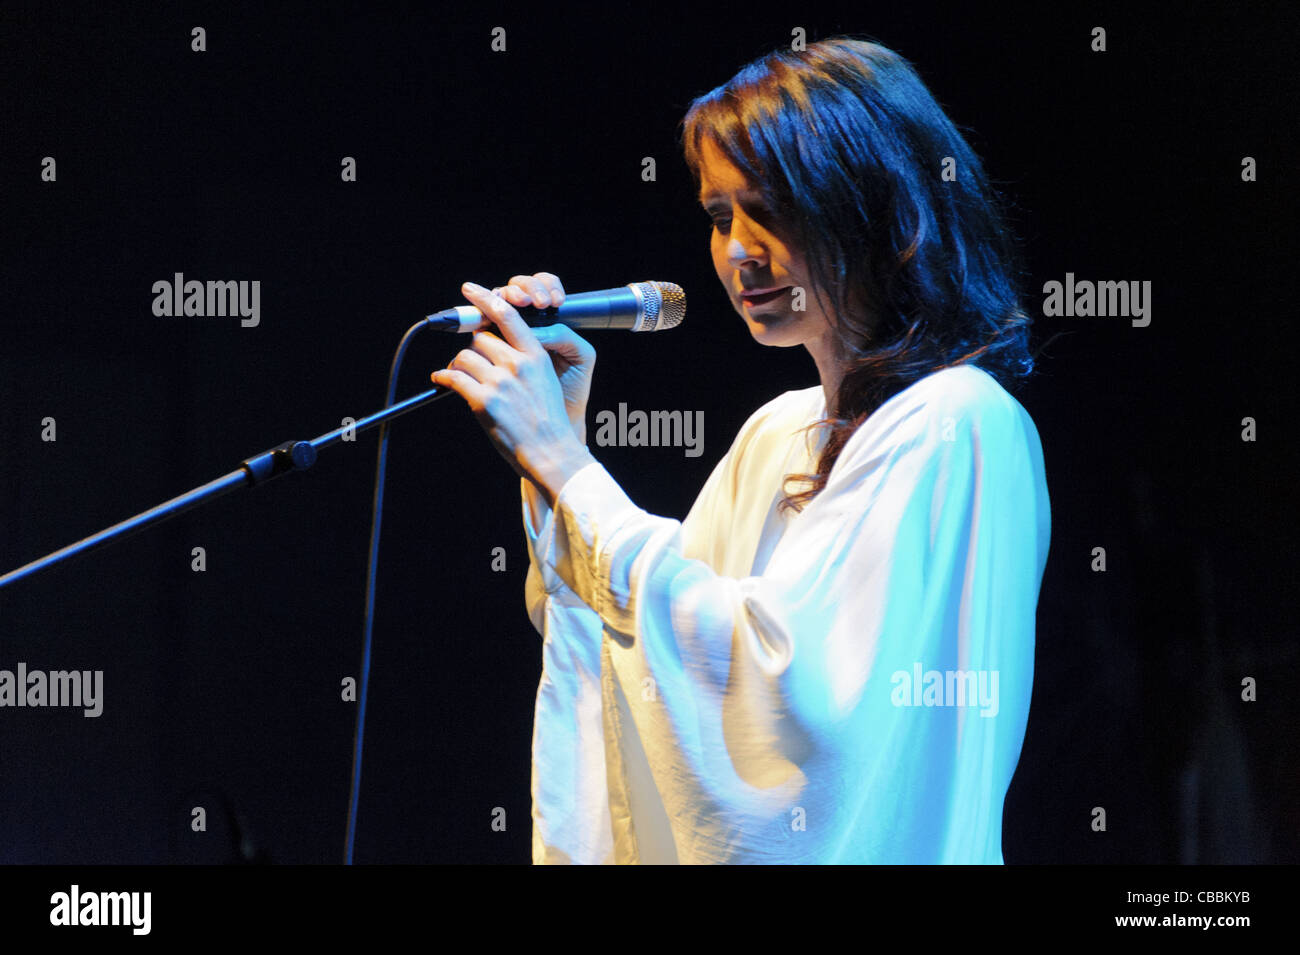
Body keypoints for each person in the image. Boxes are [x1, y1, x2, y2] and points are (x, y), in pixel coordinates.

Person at [430, 37, 1051, 864]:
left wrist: (570, 468)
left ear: (873, 205)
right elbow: (636, 644)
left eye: (771, 210)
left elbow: (790, 702)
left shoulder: (956, 422)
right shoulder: (778, 433)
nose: (738, 251)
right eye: (720, 216)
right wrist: (560, 450)